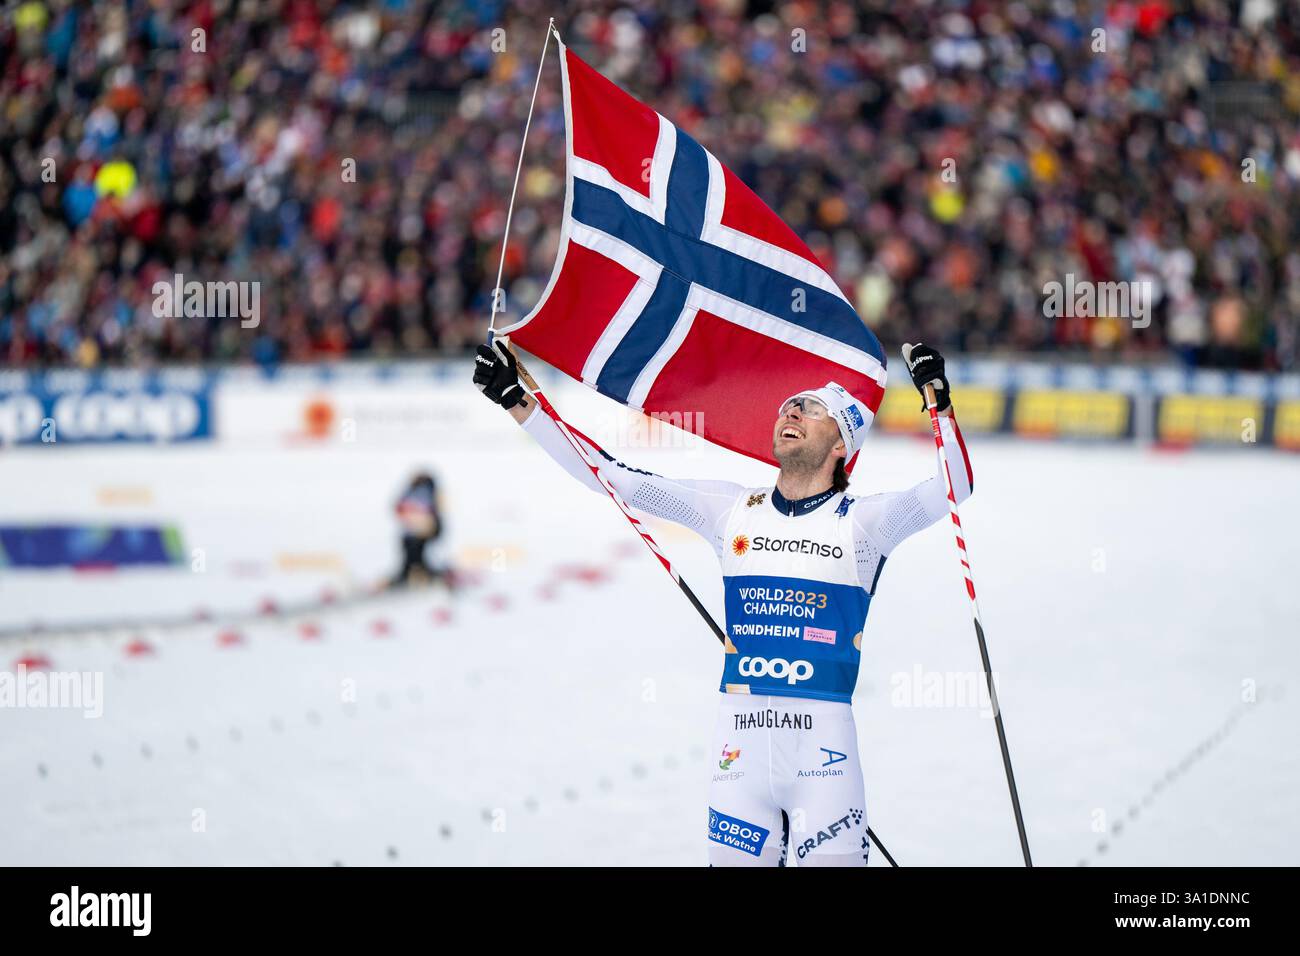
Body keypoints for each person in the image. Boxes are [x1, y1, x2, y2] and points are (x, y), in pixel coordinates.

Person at [473, 341, 973, 866]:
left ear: (840, 445)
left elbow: (954, 486)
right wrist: (517, 401)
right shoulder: (731, 510)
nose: (792, 411)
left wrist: (938, 400)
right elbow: (610, 476)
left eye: (811, 409)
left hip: (825, 765)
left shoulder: (864, 523)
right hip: (739, 760)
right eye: (789, 406)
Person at [390, 472, 448, 588]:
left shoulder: (424, 493)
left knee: (416, 557)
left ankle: (420, 578)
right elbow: (399, 508)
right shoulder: (414, 492)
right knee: (413, 558)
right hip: (412, 533)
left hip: (419, 533)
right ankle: (413, 577)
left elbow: (429, 513)